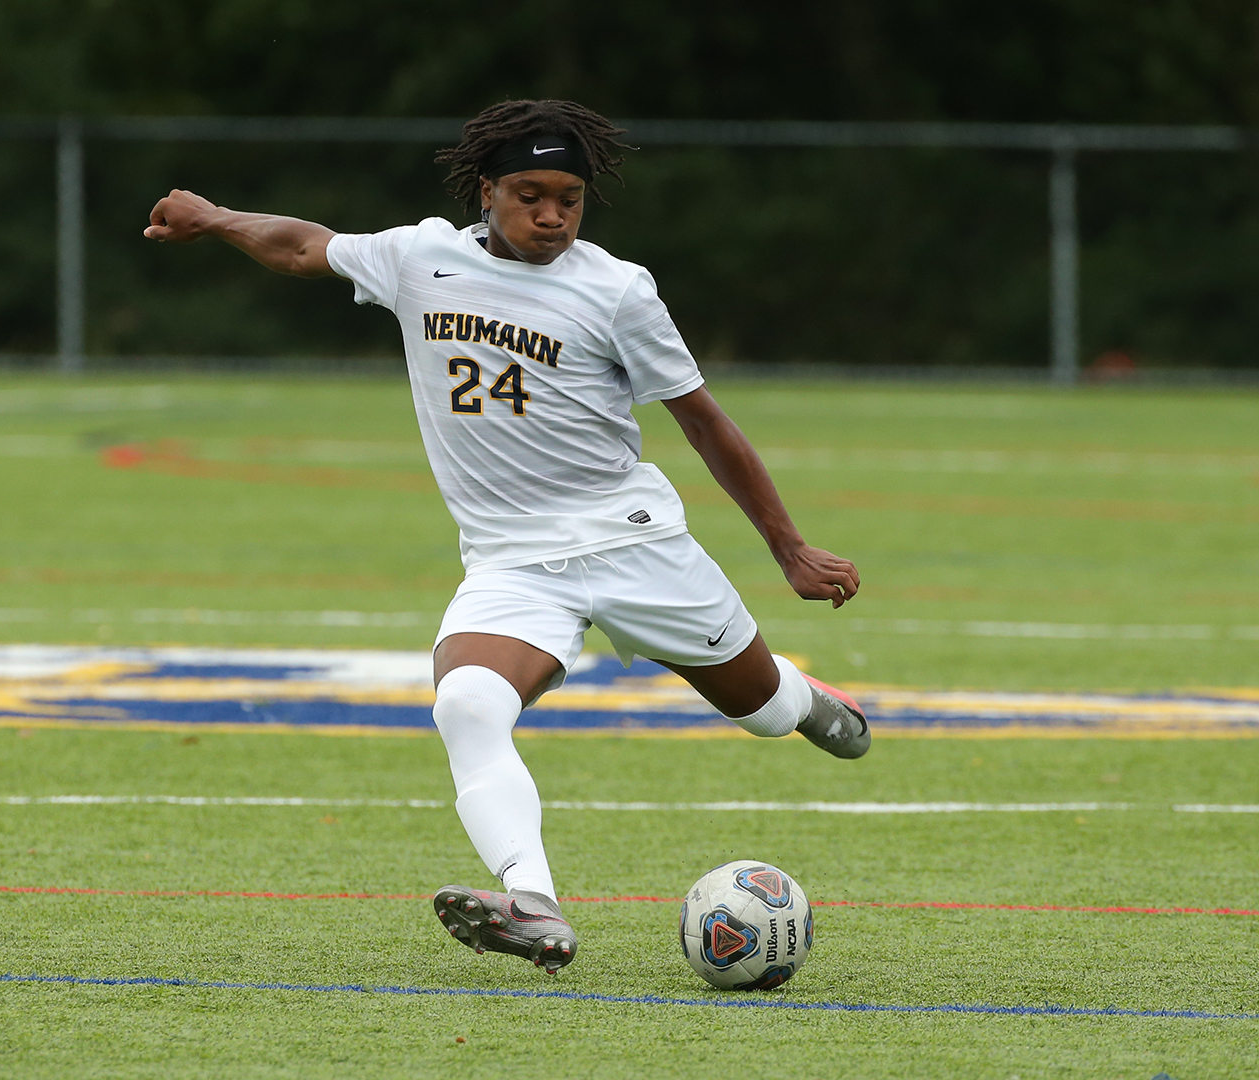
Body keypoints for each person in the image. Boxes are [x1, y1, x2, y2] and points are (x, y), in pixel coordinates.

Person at [145, 98, 870, 975]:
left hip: (636, 549)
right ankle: (532, 900)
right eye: (531, 193)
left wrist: (787, 548)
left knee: (758, 712)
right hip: (513, 564)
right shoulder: (421, 258)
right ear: (487, 191)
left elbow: (705, 423)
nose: (552, 214)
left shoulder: (617, 290)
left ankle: (804, 698)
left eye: (569, 197)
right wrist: (215, 218)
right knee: (467, 704)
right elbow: (304, 246)